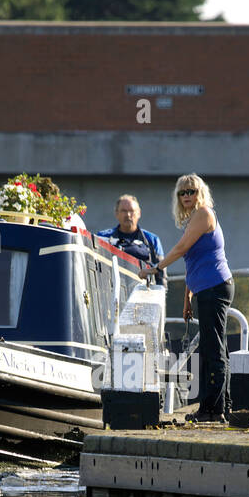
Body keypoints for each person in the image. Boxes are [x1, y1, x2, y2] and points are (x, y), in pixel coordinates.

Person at [152, 174, 233, 422]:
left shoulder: (203, 214)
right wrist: (187, 298)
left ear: (200, 193)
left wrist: (155, 268)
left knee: (213, 350)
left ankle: (212, 410)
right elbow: (192, 262)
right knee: (216, 347)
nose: (187, 196)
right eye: (182, 193)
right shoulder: (192, 219)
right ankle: (223, 406)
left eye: (192, 191)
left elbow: (180, 250)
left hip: (215, 286)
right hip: (205, 288)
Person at [96, 195, 164, 279]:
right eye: (124, 211)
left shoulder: (152, 240)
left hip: (144, 290)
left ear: (139, 213)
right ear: (116, 213)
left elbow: (161, 273)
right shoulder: (103, 237)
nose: (128, 215)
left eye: (131, 211)